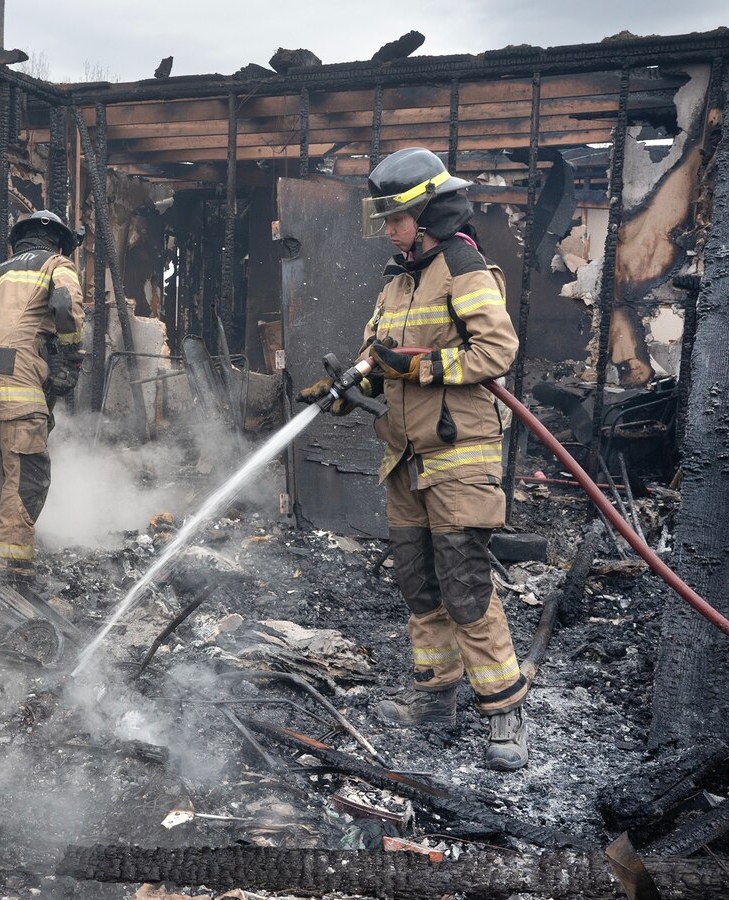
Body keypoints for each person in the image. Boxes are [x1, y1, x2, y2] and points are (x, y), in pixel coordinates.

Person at [299, 147, 529, 771]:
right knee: (417, 581)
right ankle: (436, 697)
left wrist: (421, 366)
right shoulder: (397, 282)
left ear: (427, 212)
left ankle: (504, 711)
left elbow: (497, 352)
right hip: (403, 457)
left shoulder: (464, 268)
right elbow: (378, 364)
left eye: (396, 217)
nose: (390, 228)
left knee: (465, 585)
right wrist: (346, 391)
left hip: (459, 454)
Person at [0, 210, 85, 583]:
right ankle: (13, 572)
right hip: (14, 380)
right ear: (60, 242)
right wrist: (70, 354)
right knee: (27, 475)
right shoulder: (57, 264)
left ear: (19, 240)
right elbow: (65, 306)